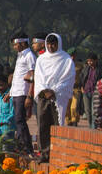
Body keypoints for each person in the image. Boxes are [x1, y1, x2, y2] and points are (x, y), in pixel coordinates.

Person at [32, 33, 75, 164]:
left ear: (59, 44)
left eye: (53, 44)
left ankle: (58, 153)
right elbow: (38, 77)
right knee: (43, 125)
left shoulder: (66, 59)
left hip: (58, 96)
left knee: (58, 125)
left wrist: (54, 90)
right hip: (43, 96)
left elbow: (68, 78)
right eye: (49, 44)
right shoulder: (41, 59)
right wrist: (45, 90)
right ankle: (44, 153)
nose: (51, 46)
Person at [8, 32, 36, 154]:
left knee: (20, 120)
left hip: (23, 93)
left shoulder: (29, 56)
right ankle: (20, 146)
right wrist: (10, 92)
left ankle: (27, 148)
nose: (15, 47)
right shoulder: (20, 56)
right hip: (16, 91)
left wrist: (29, 96)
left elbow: (33, 76)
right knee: (17, 120)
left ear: (23, 43)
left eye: (16, 44)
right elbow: (18, 76)